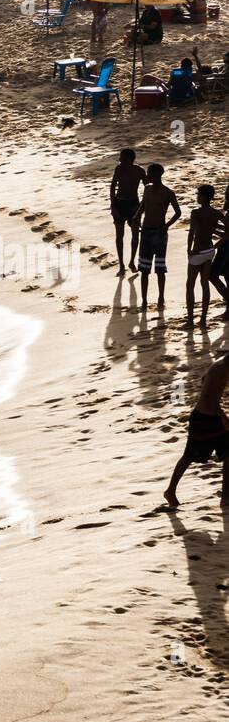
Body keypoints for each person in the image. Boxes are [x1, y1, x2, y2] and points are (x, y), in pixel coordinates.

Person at [164, 354, 229, 507]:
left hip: (211, 416)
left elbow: (203, 379)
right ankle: (170, 491)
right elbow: (208, 398)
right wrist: (224, 418)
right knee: (189, 456)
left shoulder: (220, 364)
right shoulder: (221, 369)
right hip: (203, 419)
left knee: (228, 453)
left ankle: (226, 497)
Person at [137, 163, 181, 312]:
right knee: (144, 269)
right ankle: (143, 300)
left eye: (150, 173)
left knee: (160, 268)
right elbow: (143, 205)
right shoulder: (147, 189)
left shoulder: (168, 193)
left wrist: (166, 226)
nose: (147, 176)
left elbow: (178, 212)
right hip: (146, 231)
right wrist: (136, 217)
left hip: (160, 233)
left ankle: (161, 297)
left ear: (157, 174)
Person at [184, 185, 227, 329]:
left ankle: (190, 321)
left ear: (203, 197)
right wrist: (217, 244)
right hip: (209, 251)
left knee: (190, 285)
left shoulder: (196, 212)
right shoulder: (217, 213)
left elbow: (192, 233)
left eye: (198, 194)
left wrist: (189, 249)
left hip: (198, 251)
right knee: (205, 285)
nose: (197, 197)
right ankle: (203, 320)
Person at [110, 148, 146, 277]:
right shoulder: (119, 169)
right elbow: (113, 186)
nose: (120, 160)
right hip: (120, 203)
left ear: (130, 159)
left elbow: (147, 188)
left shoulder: (140, 171)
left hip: (133, 204)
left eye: (122, 158)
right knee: (119, 236)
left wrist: (141, 207)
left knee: (135, 234)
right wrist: (113, 206)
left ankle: (131, 262)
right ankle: (121, 265)